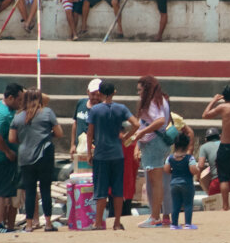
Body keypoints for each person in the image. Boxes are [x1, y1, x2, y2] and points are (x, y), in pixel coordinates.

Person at [9, 89, 63, 232]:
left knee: (30, 191)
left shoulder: (18, 116)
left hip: (25, 156)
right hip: (44, 155)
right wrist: (46, 135)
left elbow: (12, 138)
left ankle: (28, 224)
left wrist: (26, 138)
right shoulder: (47, 113)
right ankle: (48, 223)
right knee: (45, 189)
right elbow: (59, 133)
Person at [86, 81, 133, 231]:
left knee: (100, 190)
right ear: (114, 92)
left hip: (101, 154)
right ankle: (117, 223)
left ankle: (98, 223)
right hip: (117, 154)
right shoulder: (121, 108)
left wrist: (89, 152)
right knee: (118, 190)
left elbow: (90, 133)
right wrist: (126, 137)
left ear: (99, 93)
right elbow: (137, 124)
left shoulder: (95, 110)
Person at [127, 76, 172, 227]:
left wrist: (141, 133)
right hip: (155, 144)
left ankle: (154, 217)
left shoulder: (153, 102)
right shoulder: (160, 100)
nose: (138, 93)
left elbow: (159, 121)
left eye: (140, 90)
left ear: (147, 89)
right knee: (155, 182)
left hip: (153, 143)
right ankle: (155, 216)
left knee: (155, 182)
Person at [0, 83, 24, 233]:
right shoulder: (4, 115)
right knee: (0, 193)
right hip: (0, 158)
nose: (20, 103)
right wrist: (7, 151)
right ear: (10, 98)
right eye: (19, 100)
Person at [164, 132, 200, 230]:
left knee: (175, 204)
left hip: (174, 183)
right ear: (187, 145)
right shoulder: (189, 158)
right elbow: (193, 169)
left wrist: (173, 172)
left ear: (175, 145)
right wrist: (198, 170)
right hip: (187, 183)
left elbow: (166, 170)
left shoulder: (170, 158)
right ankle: (188, 223)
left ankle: (174, 224)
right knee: (188, 203)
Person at [71, 79, 103, 163]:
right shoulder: (81, 103)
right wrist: (73, 144)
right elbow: (75, 123)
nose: (95, 97)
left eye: (98, 95)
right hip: (79, 149)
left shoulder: (104, 109)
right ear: (87, 92)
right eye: (93, 94)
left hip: (95, 150)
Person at [197, 126, 222, 196]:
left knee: (213, 205)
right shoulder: (225, 144)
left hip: (217, 181)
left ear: (206, 139)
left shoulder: (204, 147)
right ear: (219, 137)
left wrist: (198, 178)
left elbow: (200, 165)